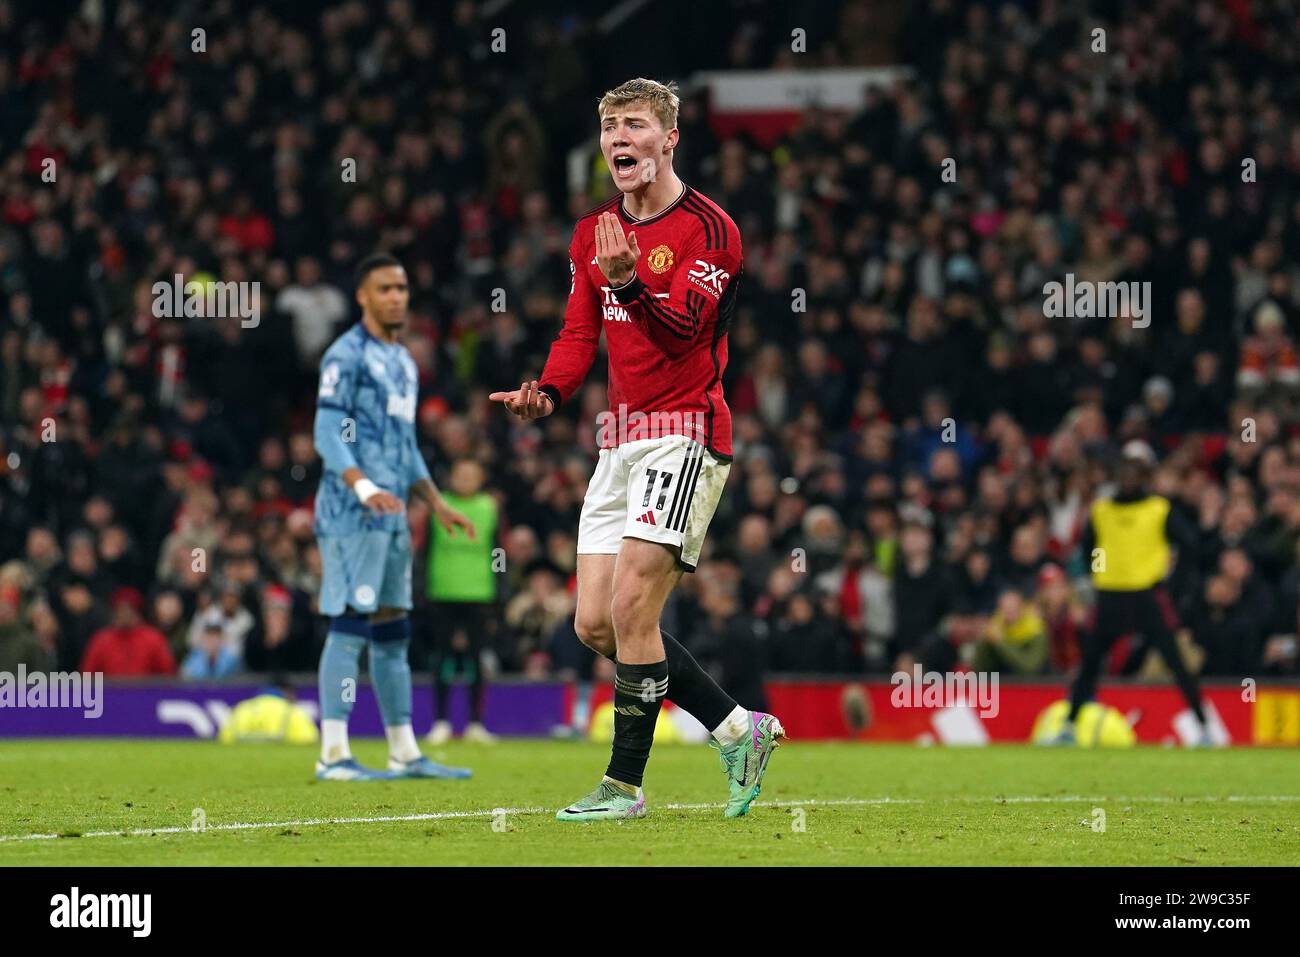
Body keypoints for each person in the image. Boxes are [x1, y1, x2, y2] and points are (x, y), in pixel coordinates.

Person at [491, 78, 784, 821]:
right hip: (619, 441)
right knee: (594, 622)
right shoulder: (592, 232)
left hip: (685, 434)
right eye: (610, 127)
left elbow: (683, 330)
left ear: (669, 139)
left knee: (632, 605)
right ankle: (736, 727)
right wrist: (548, 394)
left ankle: (623, 786)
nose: (620, 139)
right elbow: (579, 332)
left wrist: (631, 285)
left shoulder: (712, 230)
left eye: (635, 125)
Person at [311, 252, 476, 781]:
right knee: (350, 623)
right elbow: (326, 429)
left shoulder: (403, 362)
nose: (396, 297)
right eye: (384, 288)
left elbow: (405, 447)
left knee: (393, 629)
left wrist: (438, 503)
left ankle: (404, 750)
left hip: (393, 518)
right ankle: (332, 752)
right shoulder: (346, 356)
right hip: (350, 514)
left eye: (402, 288)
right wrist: (361, 486)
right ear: (362, 296)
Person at [1053, 441, 1212, 745]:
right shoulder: (1102, 510)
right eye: (1124, 470)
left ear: (1145, 474)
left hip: (1146, 596)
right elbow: (1090, 548)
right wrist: (1097, 574)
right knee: (1090, 663)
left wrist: (1172, 585)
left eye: (1135, 471)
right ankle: (1069, 727)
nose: (1128, 477)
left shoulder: (1158, 509)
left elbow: (1190, 546)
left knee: (1175, 662)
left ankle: (1204, 727)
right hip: (1111, 595)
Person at [425, 458, 499, 745]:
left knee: (476, 659)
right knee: (441, 658)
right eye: (461, 474)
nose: (466, 480)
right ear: (452, 477)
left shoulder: (489, 507)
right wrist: (422, 586)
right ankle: (441, 722)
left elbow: (498, 548)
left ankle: (475, 724)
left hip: (479, 593)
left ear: (481, 478)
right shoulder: (438, 505)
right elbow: (425, 547)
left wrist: (499, 588)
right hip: (442, 592)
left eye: (472, 474)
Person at [80, 587, 177, 676]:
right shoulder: (102, 640)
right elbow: (88, 674)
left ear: (137, 612)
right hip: (110, 693)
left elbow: (168, 673)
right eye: (120, 610)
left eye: (128, 610)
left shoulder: (153, 639)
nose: (124, 614)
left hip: (146, 693)